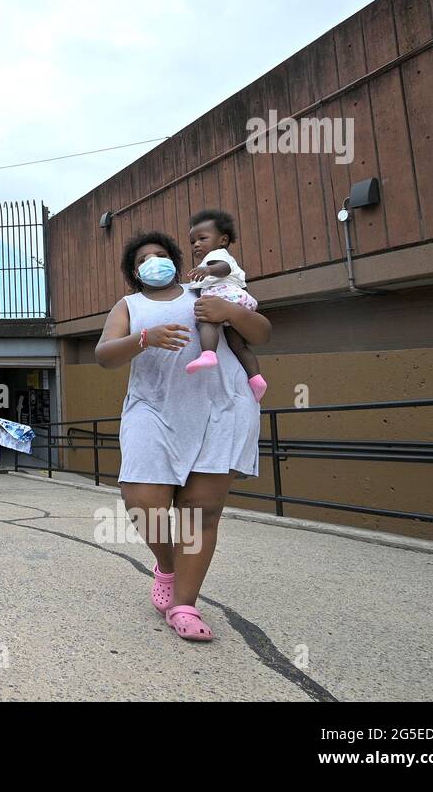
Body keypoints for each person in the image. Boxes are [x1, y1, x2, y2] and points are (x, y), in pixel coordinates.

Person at [95, 230, 270, 643]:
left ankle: (185, 606)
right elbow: (104, 355)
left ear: (176, 260)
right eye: (144, 259)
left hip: (220, 409)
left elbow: (260, 333)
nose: (154, 261)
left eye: (161, 254)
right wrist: (143, 339)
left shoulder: (207, 292)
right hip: (152, 411)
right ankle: (167, 566)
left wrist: (229, 309)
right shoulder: (129, 306)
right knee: (143, 502)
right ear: (134, 272)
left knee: (200, 511)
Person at [184, 209, 268, 402]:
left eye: (202, 238)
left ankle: (208, 353)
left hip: (224, 295)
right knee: (238, 345)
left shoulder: (217, 255)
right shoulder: (215, 256)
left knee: (205, 321)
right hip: (239, 299)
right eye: (192, 242)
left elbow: (224, 268)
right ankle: (256, 379)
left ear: (222, 240)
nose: (196, 244)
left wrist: (208, 269)